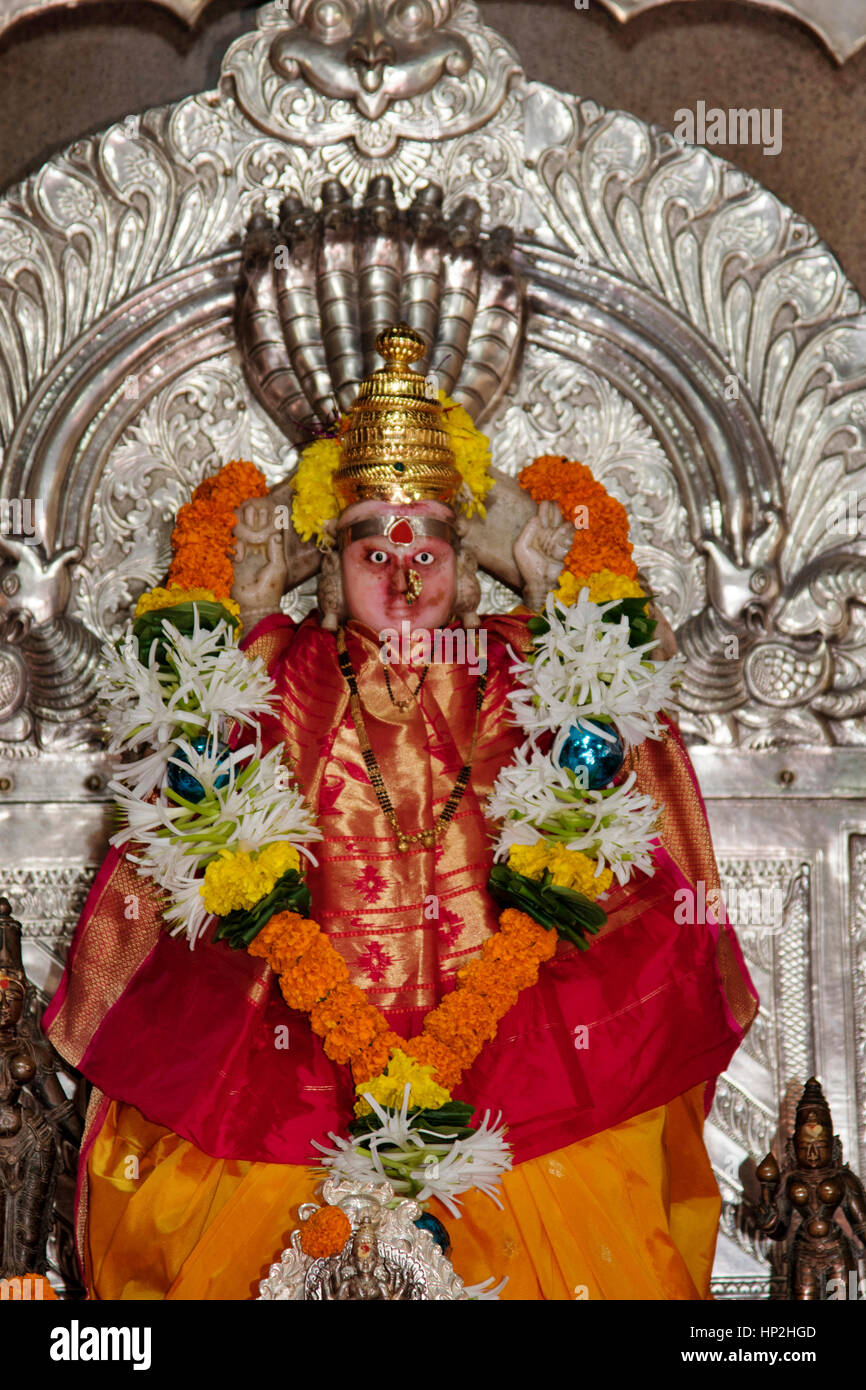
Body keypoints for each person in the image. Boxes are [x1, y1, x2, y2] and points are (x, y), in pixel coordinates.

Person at [45, 325, 756, 1300]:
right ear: (330, 576)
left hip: (518, 1060)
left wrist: (548, 584)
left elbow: (626, 725)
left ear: (466, 568)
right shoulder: (274, 670)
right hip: (299, 1063)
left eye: (428, 540)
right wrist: (250, 613)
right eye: (371, 545)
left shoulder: (524, 659)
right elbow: (188, 818)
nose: (405, 571)